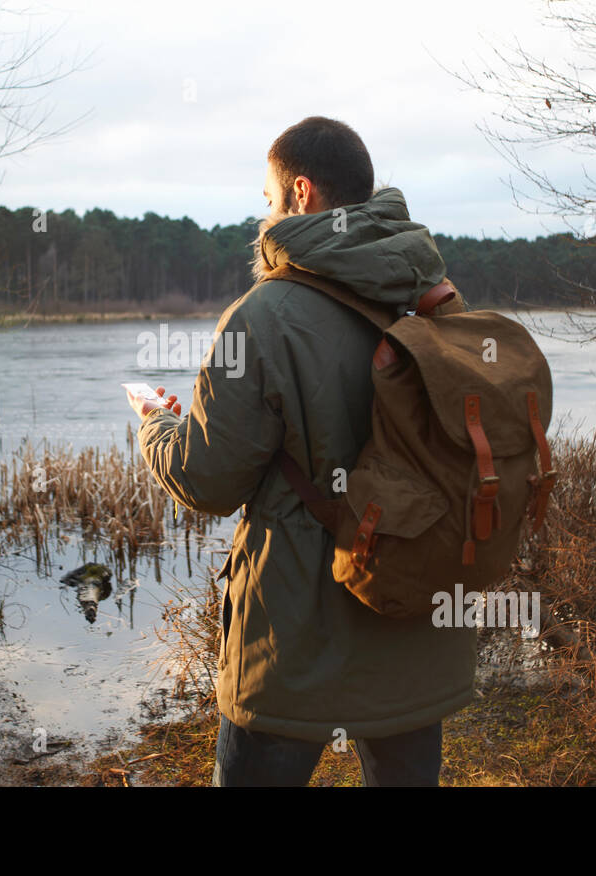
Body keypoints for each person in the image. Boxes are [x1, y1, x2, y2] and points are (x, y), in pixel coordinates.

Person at [126, 116, 476, 786]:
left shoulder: (263, 315)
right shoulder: (433, 296)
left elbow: (208, 480)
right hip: (415, 625)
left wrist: (154, 426)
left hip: (294, 644)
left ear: (302, 193)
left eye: (267, 198)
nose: (263, 213)